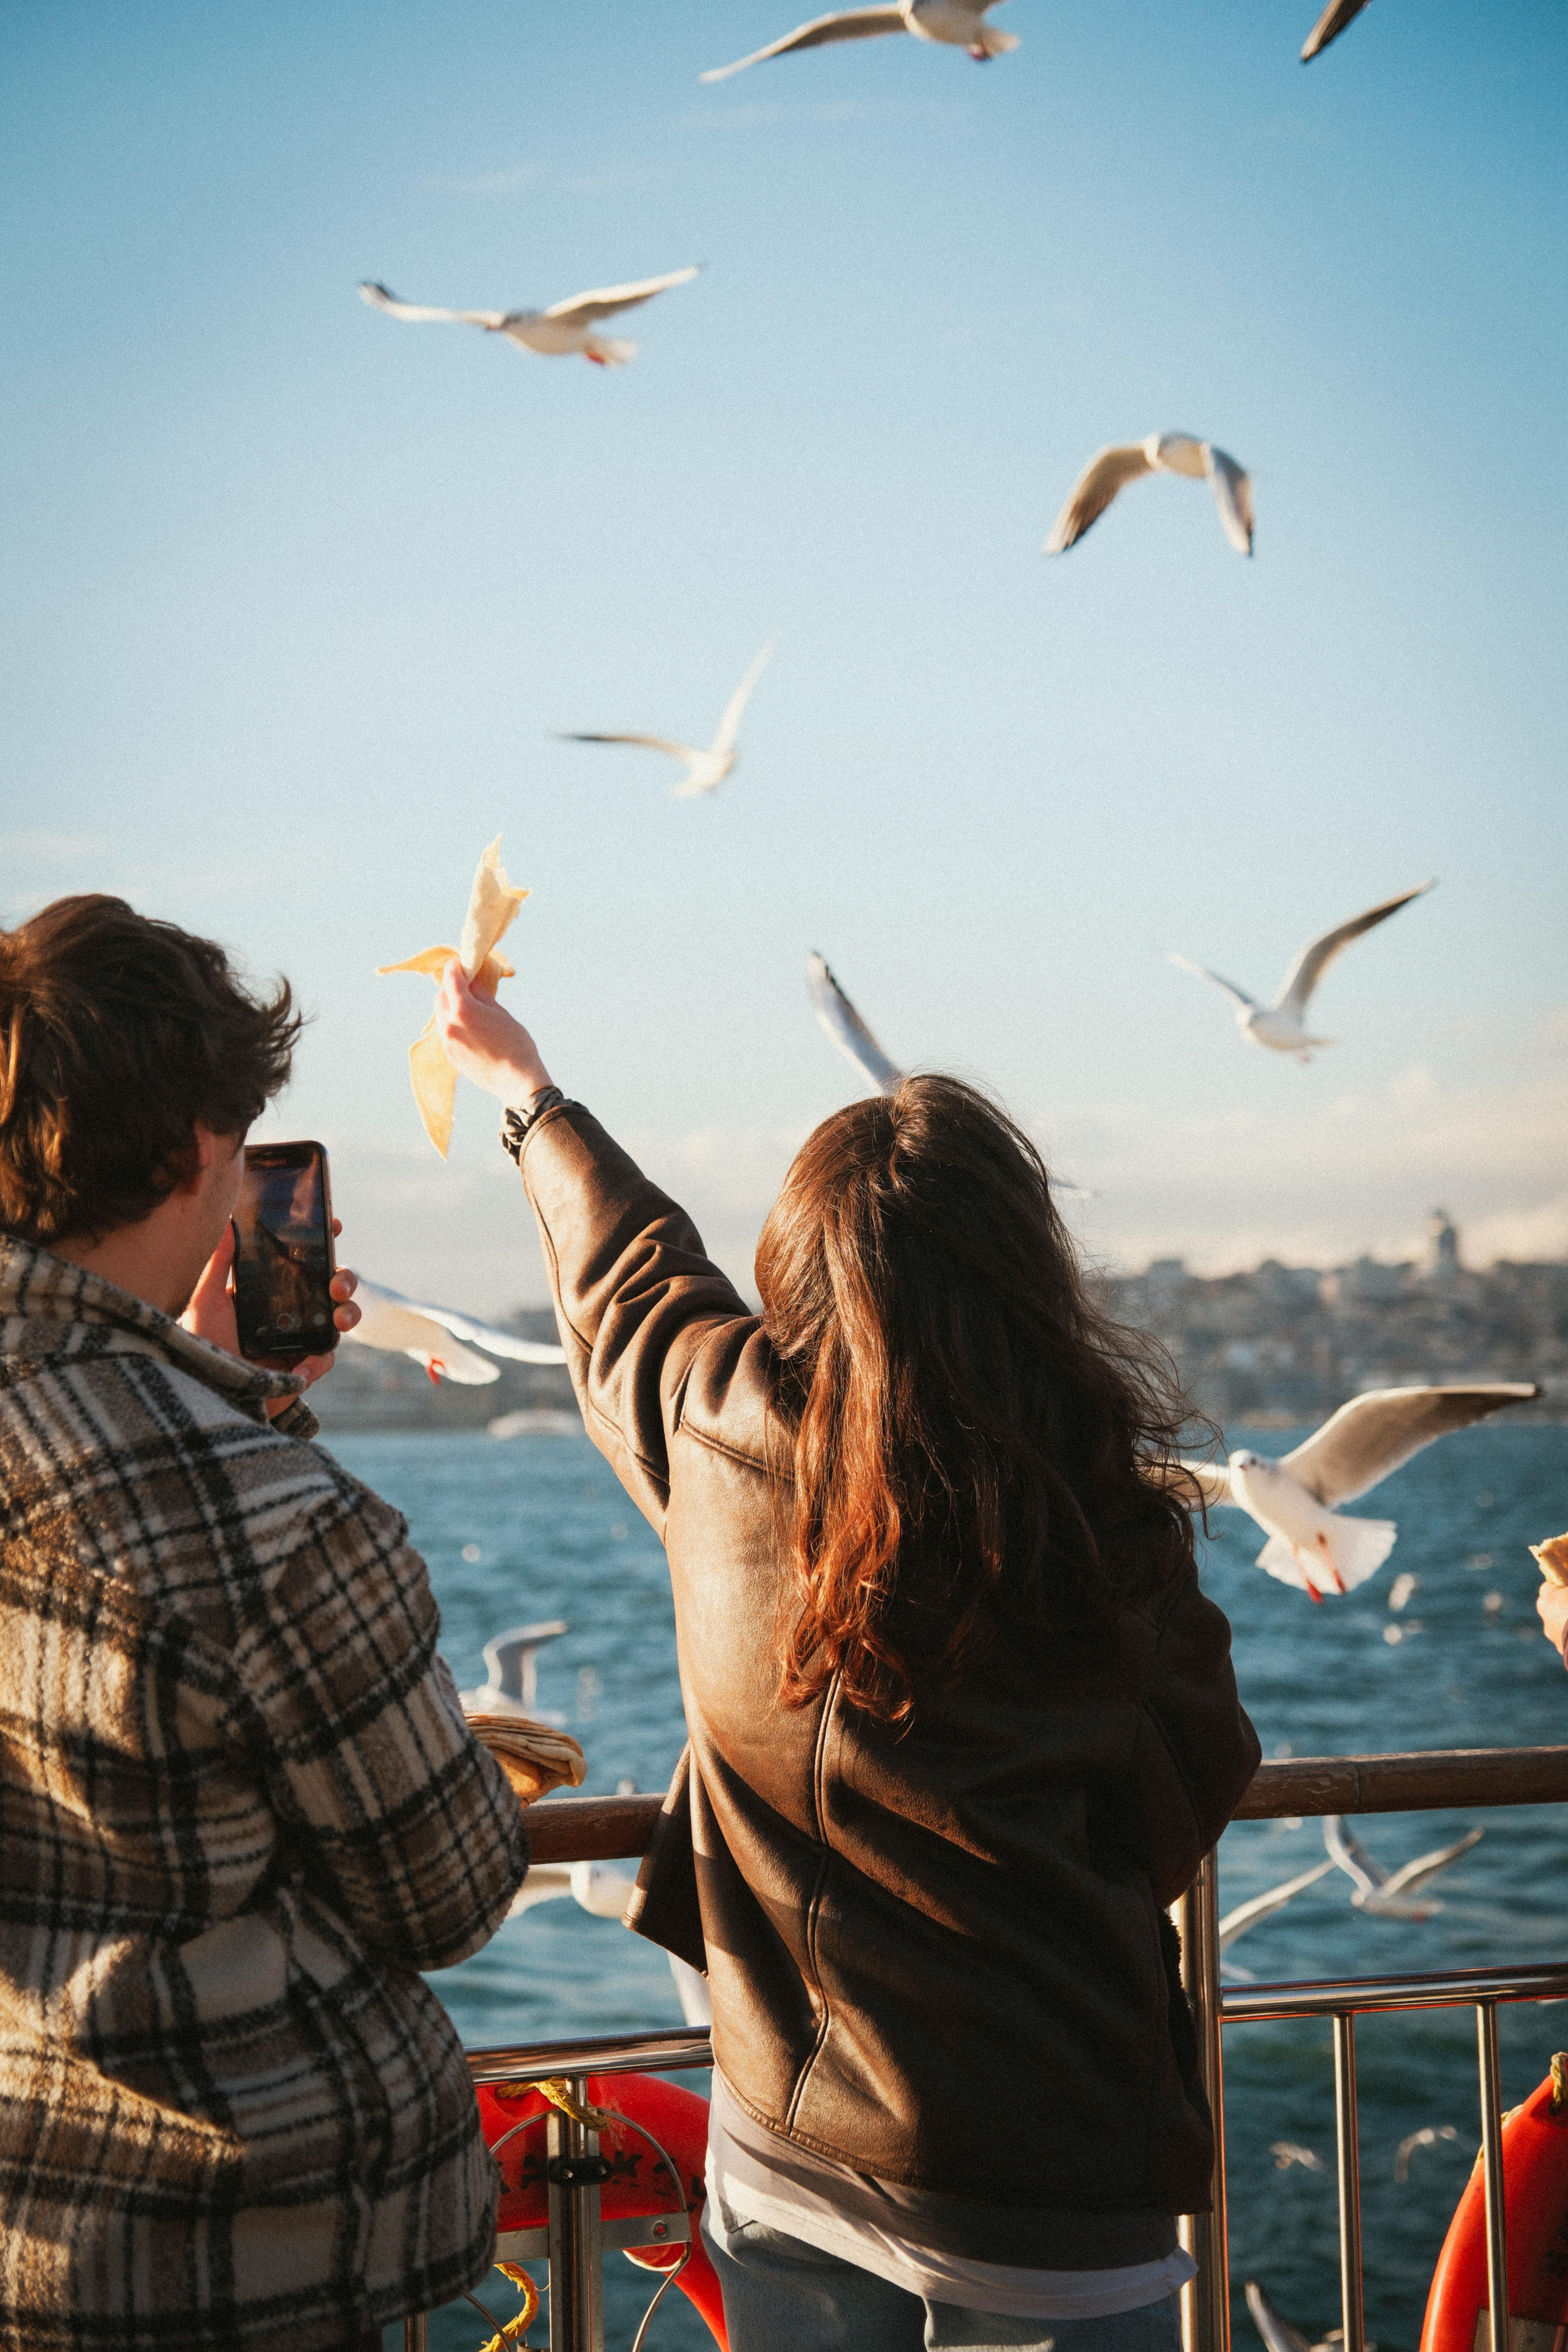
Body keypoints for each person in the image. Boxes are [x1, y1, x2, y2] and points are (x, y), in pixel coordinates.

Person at [435, 959, 1261, 2352]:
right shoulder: (1106, 1521)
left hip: (794, 2147)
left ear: (796, 1273)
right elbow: (1189, 1787)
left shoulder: (718, 1431)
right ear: (1026, 1274)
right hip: (1054, 2177)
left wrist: (529, 1098)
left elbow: (629, 1281)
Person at [0, 898, 530, 2352]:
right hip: (225, 2261)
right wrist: (232, 1428)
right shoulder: (264, 1513)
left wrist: (211, 1386)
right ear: (192, 1153)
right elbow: (450, 1892)